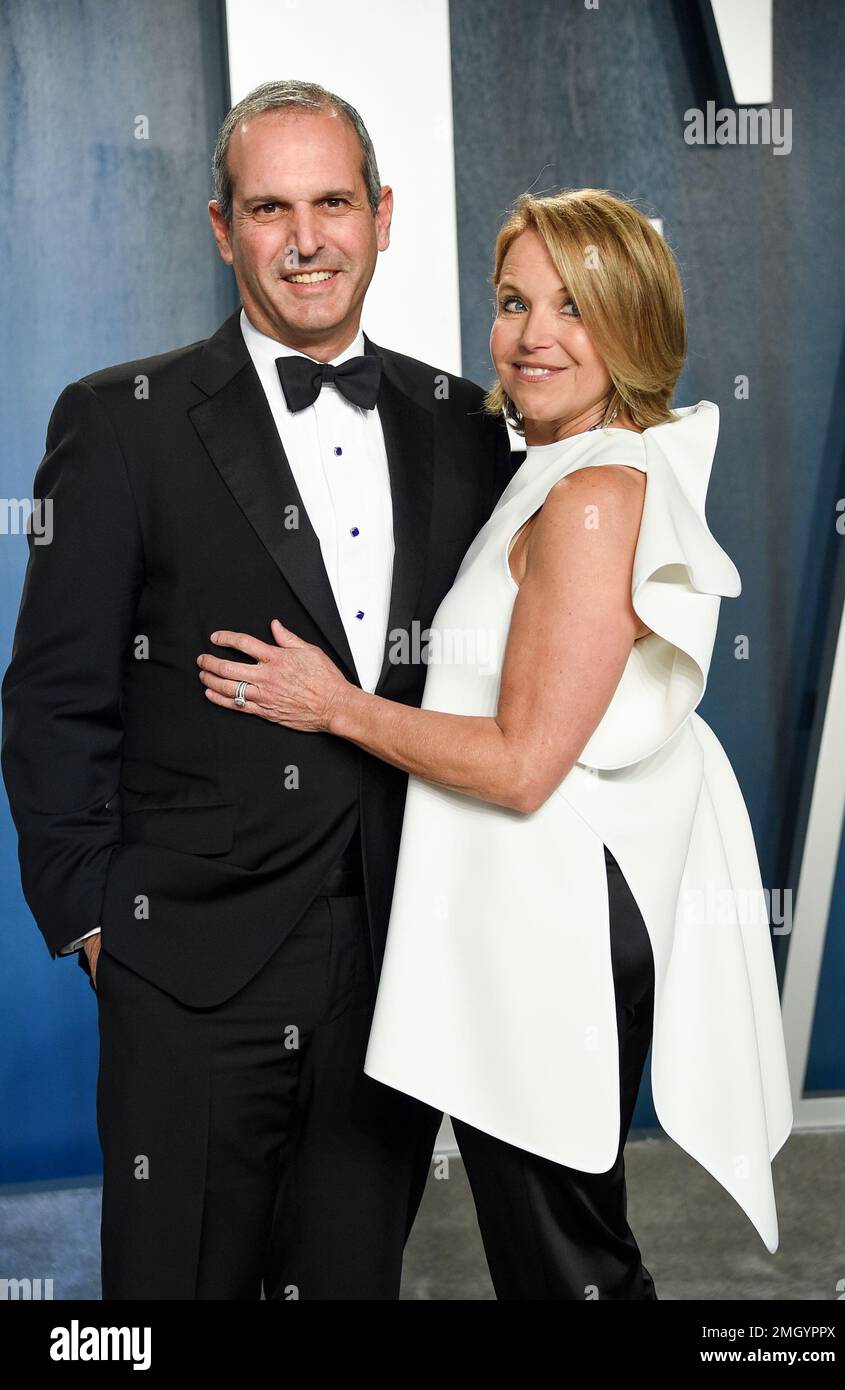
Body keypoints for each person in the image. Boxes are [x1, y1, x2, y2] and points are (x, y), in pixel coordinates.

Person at [196, 187, 794, 1301]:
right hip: (535, 916)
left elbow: (524, 763)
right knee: (553, 1254)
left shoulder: (594, 494)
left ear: (633, 322)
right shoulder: (567, 470)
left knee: (568, 1263)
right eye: (514, 301)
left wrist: (333, 706)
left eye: (573, 307)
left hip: (555, 926)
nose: (531, 336)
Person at [0, 78, 518, 1299]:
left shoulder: (466, 425)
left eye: (332, 201)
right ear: (222, 227)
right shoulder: (119, 421)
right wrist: (96, 927)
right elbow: (52, 695)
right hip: (184, 963)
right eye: (270, 206)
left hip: (399, 957)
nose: (305, 238)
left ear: (382, 214)